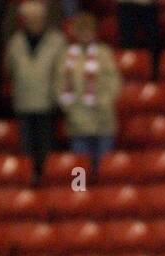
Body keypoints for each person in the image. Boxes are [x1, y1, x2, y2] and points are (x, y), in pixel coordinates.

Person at [4, 0, 66, 185]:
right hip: (23, 101)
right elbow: (10, 68)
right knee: (27, 147)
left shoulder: (57, 41)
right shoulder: (16, 41)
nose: (34, 22)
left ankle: (47, 178)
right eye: (30, 19)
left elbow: (63, 70)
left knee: (46, 145)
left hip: (47, 101)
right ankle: (29, 179)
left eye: (37, 19)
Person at [54, 12, 120, 179]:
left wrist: (104, 102)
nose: (85, 34)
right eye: (81, 30)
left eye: (88, 30)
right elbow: (59, 85)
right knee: (79, 169)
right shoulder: (66, 56)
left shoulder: (104, 53)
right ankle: (78, 197)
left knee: (105, 170)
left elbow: (114, 82)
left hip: (103, 120)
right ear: (75, 33)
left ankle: (106, 199)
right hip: (77, 121)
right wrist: (69, 108)